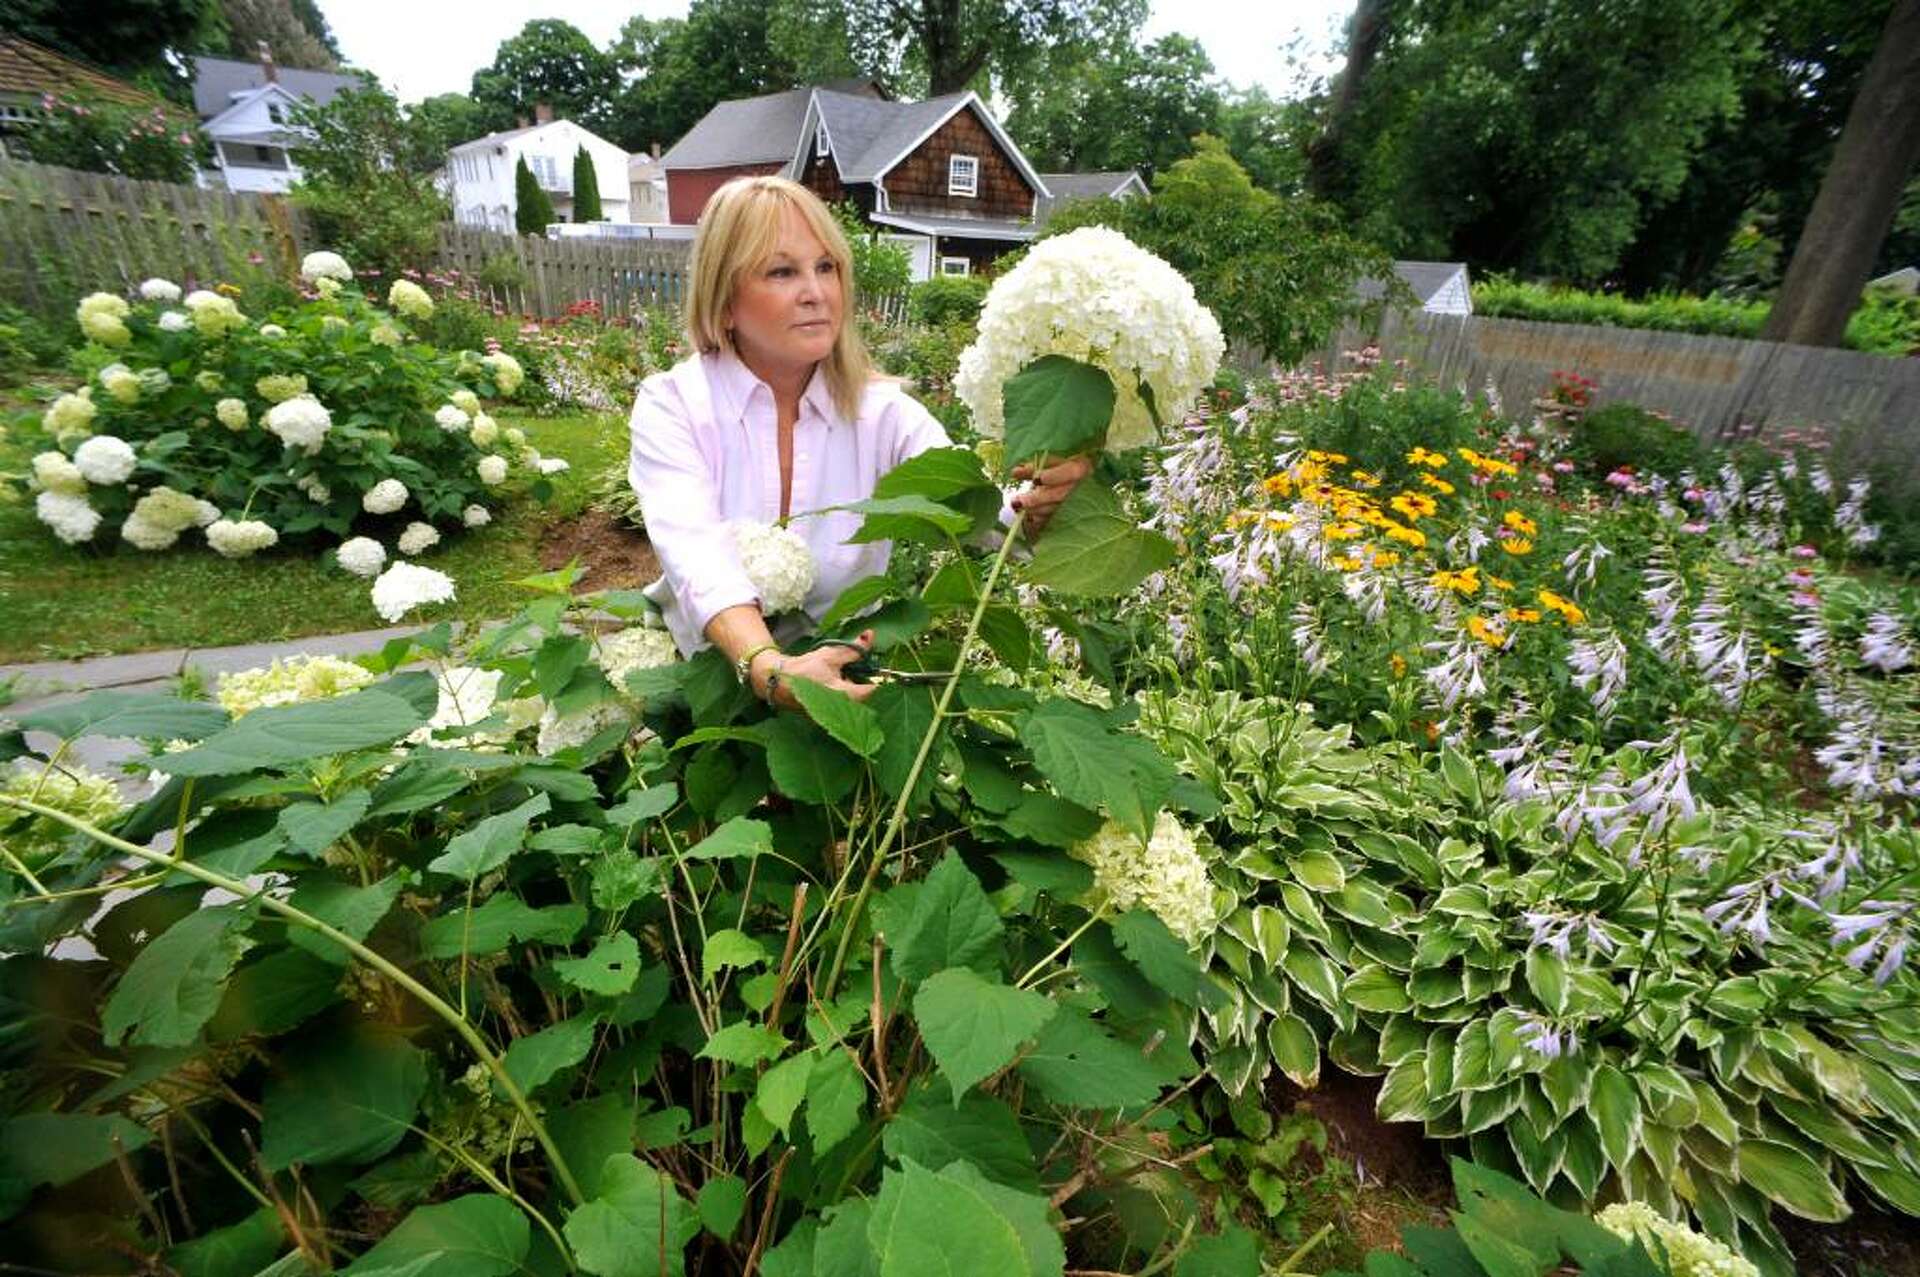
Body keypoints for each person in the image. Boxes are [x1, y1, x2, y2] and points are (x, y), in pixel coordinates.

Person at [627, 176, 1091, 710]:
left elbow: (982, 516)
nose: (816, 293)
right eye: (782, 271)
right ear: (724, 300)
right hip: (709, 692)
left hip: (846, 685)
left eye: (826, 267)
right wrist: (769, 667)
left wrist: (1046, 499)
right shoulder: (676, 406)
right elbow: (697, 555)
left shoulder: (883, 414)